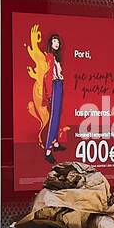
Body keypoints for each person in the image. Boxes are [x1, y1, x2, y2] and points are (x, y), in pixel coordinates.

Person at [42, 33, 66, 165]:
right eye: (54, 41)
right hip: (54, 86)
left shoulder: (57, 57)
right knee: (53, 117)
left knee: (58, 116)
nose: (56, 43)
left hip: (59, 85)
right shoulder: (49, 57)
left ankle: (55, 142)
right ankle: (48, 150)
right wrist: (49, 95)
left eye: (57, 41)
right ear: (50, 44)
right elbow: (46, 77)